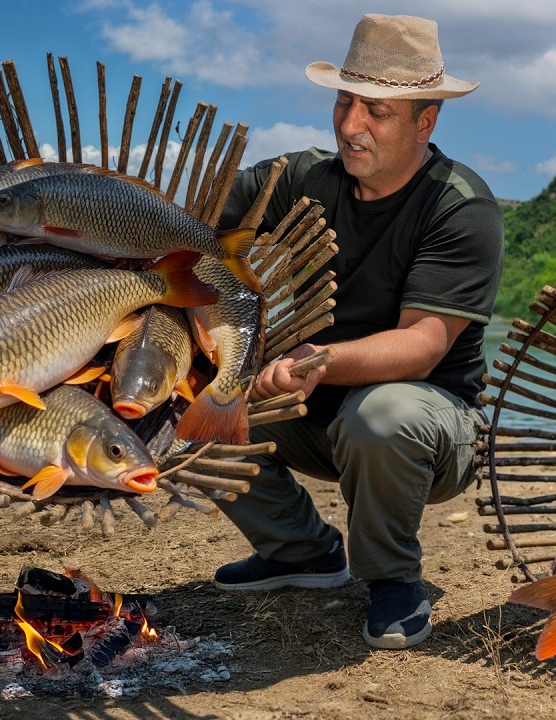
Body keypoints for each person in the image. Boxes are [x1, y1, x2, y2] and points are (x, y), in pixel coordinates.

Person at [213, 13, 504, 650]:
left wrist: (315, 360)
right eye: (345, 102)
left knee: (381, 415)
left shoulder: (460, 206)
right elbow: (199, 214)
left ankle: (392, 577)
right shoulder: (302, 179)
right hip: (312, 413)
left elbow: (422, 346)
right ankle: (300, 551)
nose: (350, 125)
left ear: (425, 122)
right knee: (192, 406)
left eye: (376, 111)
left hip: (425, 430)